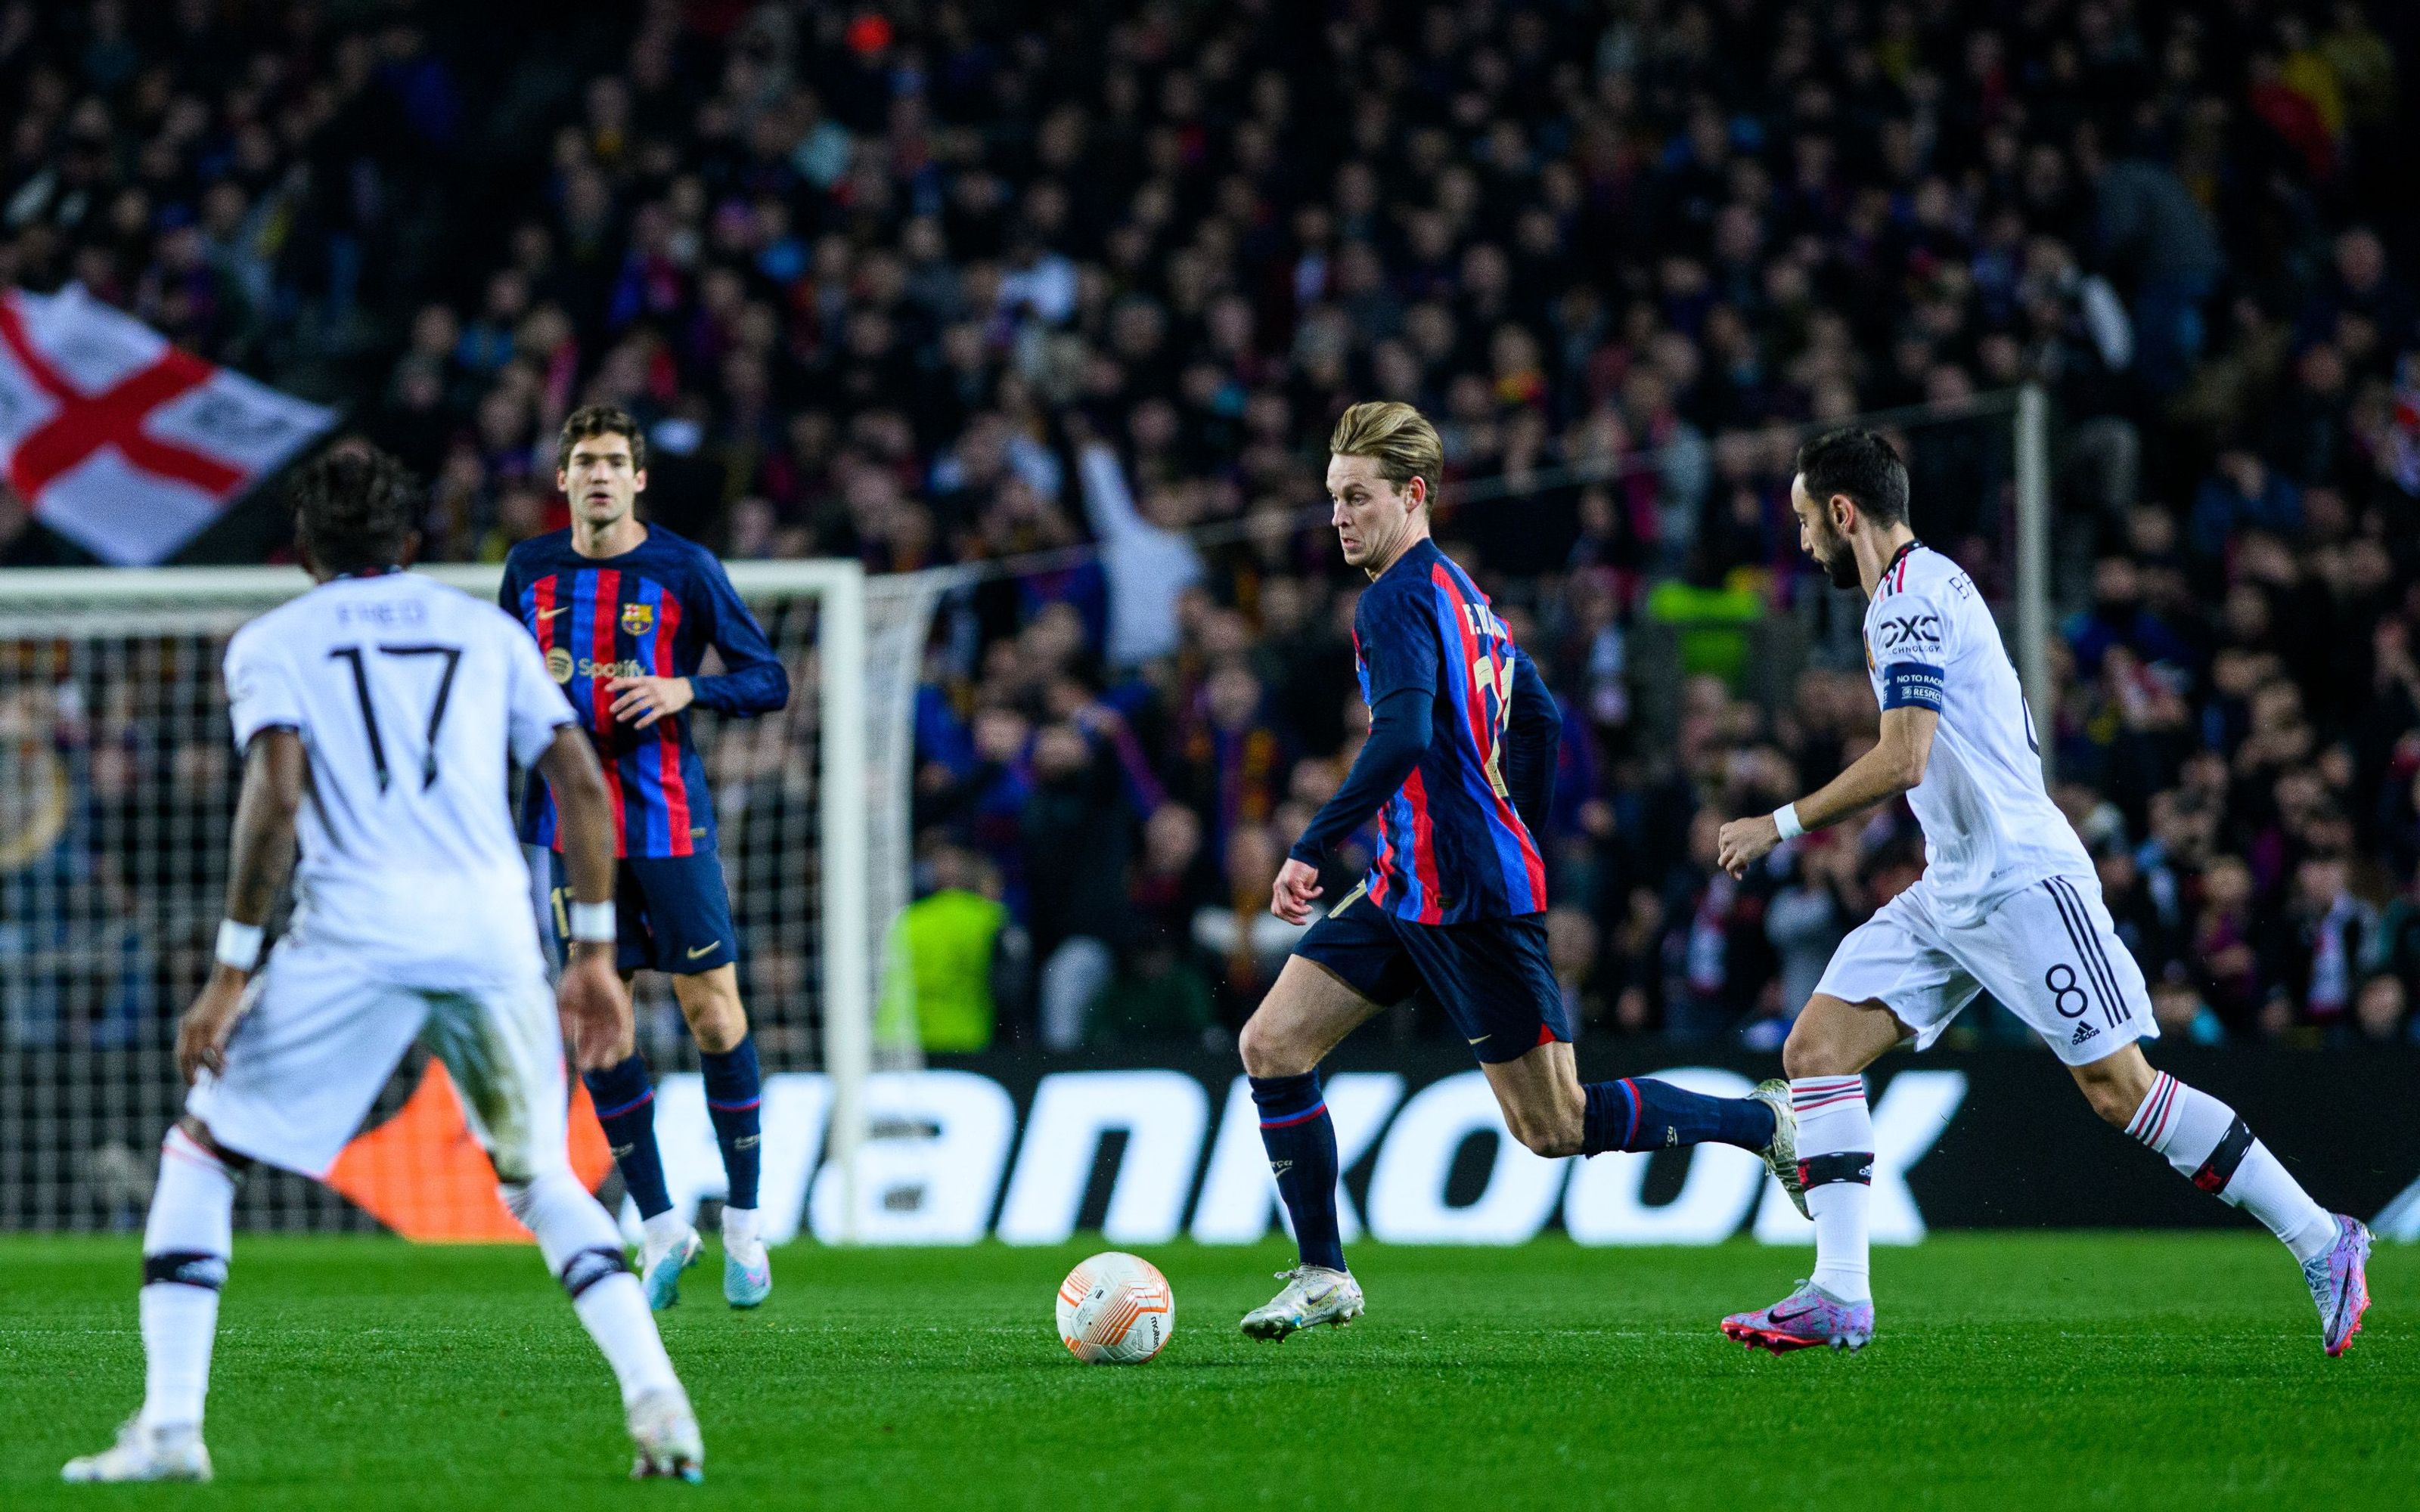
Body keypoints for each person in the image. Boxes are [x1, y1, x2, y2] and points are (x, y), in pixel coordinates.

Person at [64, 447, 703, 1483]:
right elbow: (582, 784)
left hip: (357, 934)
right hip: (494, 933)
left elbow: (275, 797)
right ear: (410, 543)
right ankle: (659, 1402)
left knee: (203, 1152)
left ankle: (172, 1430)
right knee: (540, 1179)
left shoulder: (274, 642)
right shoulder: (486, 631)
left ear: (303, 549)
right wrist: (590, 952)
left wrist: (230, 971)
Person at [1711, 429, 2369, 1356]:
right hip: (1953, 887)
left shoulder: (1905, 601)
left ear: (1842, 511)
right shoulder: (1918, 587)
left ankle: (2320, 1236)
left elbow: (1905, 756)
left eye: (1804, 520)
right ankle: (1838, 1290)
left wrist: (1775, 822)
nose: (1804, 539)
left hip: (2022, 878)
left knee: (2118, 1091)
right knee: (1817, 1047)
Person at [1236, 402, 1802, 1340]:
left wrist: (1310, 841)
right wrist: (1519, 827)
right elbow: (1536, 719)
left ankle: (1759, 1122)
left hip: (1468, 896)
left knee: (1551, 1125)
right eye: (1332, 498)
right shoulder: (1461, 593)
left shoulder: (1390, 599)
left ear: (1411, 496)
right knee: (1271, 1047)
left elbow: (1407, 731)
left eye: (1356, 497)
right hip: (1405, 884)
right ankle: (1322, 1270)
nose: (1338, 516)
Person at [501, 406, 791, 1310]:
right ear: (562, 479)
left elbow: (766, 677)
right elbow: (497, 686)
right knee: (600, 1024)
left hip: (667, 824)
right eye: (583, 460)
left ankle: (744, 1222)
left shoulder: (682, 567)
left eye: (614, 462)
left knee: (711, 1012)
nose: (598, 475)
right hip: (568, 836)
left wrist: (684, 687)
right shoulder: (528, 569)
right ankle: (662, 1222)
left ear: (637, 479)